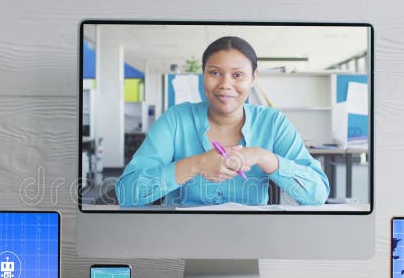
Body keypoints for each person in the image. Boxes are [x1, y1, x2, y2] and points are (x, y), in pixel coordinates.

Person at [116, 36, 329, 207]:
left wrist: (264, 157)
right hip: (182, 239)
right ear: (203, 74)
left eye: (238, 75)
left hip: (252, 239)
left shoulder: (273, 123)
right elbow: (126, 193)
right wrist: (196, 164)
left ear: (254, 78)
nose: (225, 84)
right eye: (215, 73)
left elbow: (316, 194)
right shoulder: (175, 120)